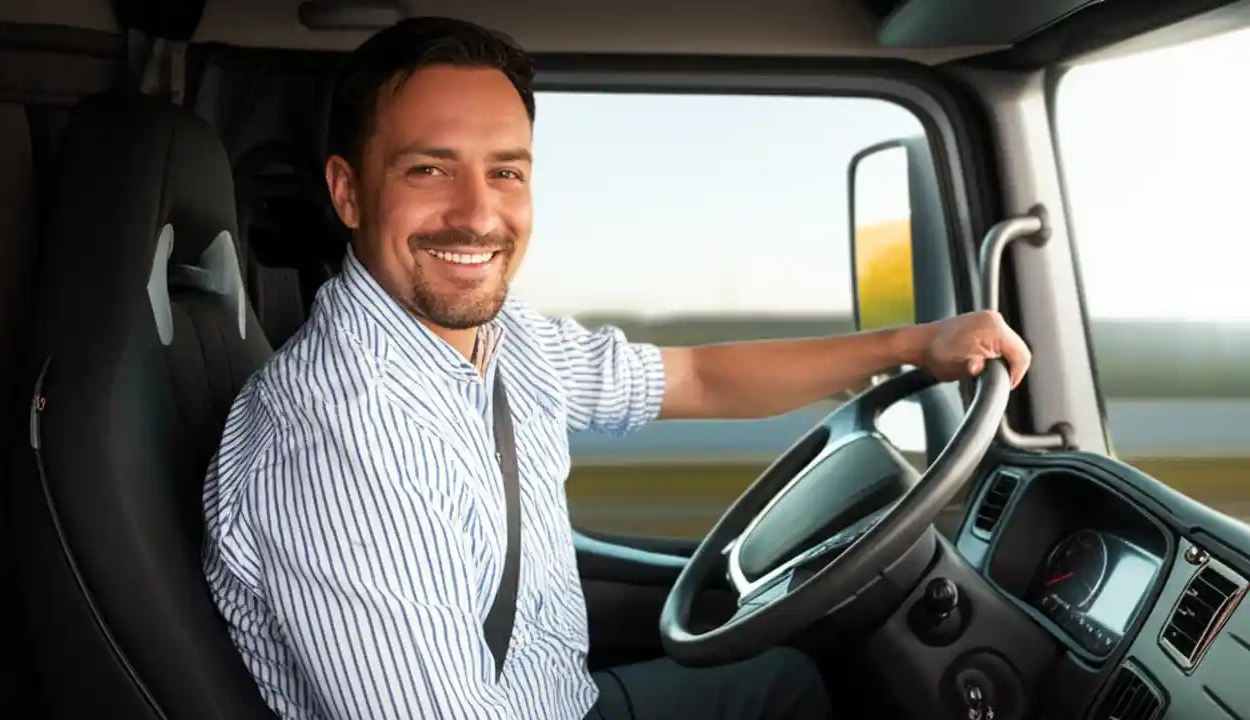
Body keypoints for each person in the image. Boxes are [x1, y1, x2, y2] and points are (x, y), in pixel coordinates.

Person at [201, 16, 1032, 720]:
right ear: (348, 194)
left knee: (791, 681)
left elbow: (697, 379)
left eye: (506, 172)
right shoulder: (340, 440)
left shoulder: (500, 339)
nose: (477, 213)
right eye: (429, 169)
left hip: (555, 696)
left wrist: (913, 346)